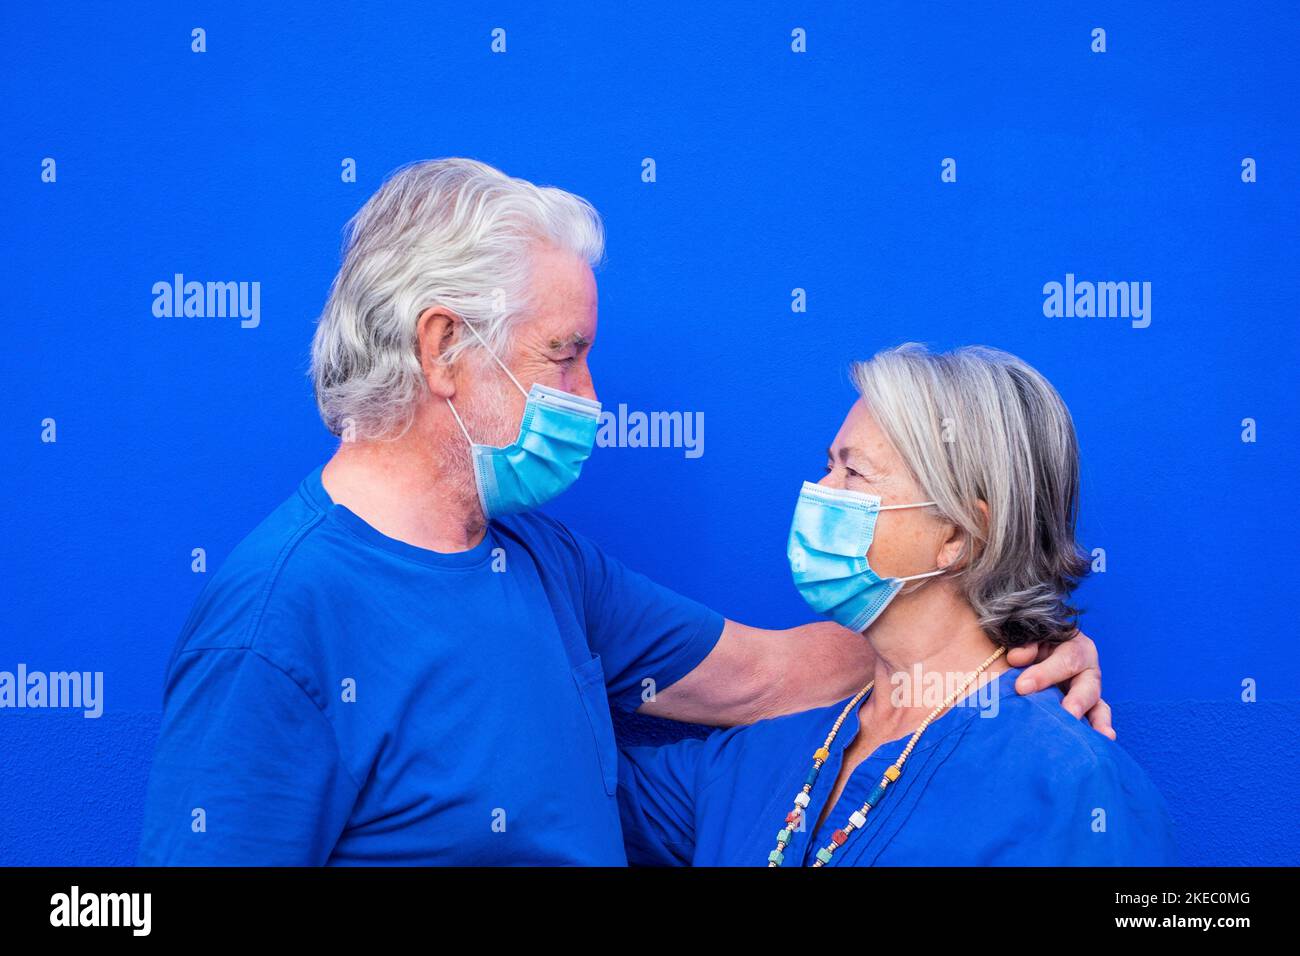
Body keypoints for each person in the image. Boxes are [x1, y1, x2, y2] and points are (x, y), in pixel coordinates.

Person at [137, 161, 1110, 865]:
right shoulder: (275, 626)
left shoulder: (546, 563)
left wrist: (992, 648)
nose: (591, 398)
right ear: (441, 349)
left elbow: (762, 676)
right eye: (565, 353)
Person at [618, 344, 1178, 866]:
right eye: (829, 465)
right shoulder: (761, 759)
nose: (820, 491)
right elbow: (562, 784)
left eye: (853, 471)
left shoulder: (1069, 784)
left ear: (959, 533)